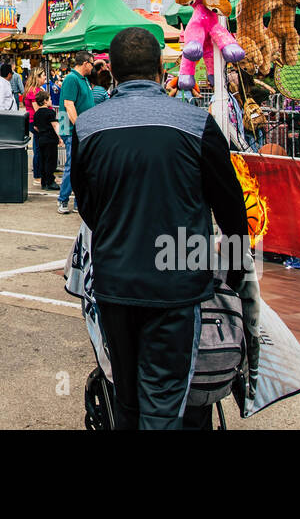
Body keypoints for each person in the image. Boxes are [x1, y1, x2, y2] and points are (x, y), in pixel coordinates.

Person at [72, 27, 249, 429]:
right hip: (178, 284)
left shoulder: (88, 127)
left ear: (112, 72)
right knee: (167, 400)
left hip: (116, 283)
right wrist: (234, 273)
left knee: (128, 396)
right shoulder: (195, 122)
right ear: (159, 68)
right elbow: (231, 208)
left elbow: (88, 207)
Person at [56, 51, 94, 215]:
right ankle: (63, 199)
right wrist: (79, 126)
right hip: (73, 130)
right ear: (85, 63)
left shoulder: (83, 79)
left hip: (78, 129)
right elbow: (68, 104)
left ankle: (79, 201)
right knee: (73, 165)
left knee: (82, 166)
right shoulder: (72, 79)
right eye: (92, 64)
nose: (93, 67)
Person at [32, 89, 60, 190]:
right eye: (50, 99)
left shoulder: (37, 113)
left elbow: (35, 127)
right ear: (45, 101)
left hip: (41, 138)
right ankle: (50, 181)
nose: (51, 101)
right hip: (50, 139)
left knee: (43, 160)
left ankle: (44, 182)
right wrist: (60, 138)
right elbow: (55, 125)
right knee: (51, 161)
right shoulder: (50, 112)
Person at [22, 69, 45, 185]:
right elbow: (37, 111)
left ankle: (41, 174)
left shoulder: (37, 90)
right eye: (43, 76)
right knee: (38, 149)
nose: (45, 78)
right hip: (35, 122)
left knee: (39, 148)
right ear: (37, 77)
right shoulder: (33, 91)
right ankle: (37, 175)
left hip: (37, 122)